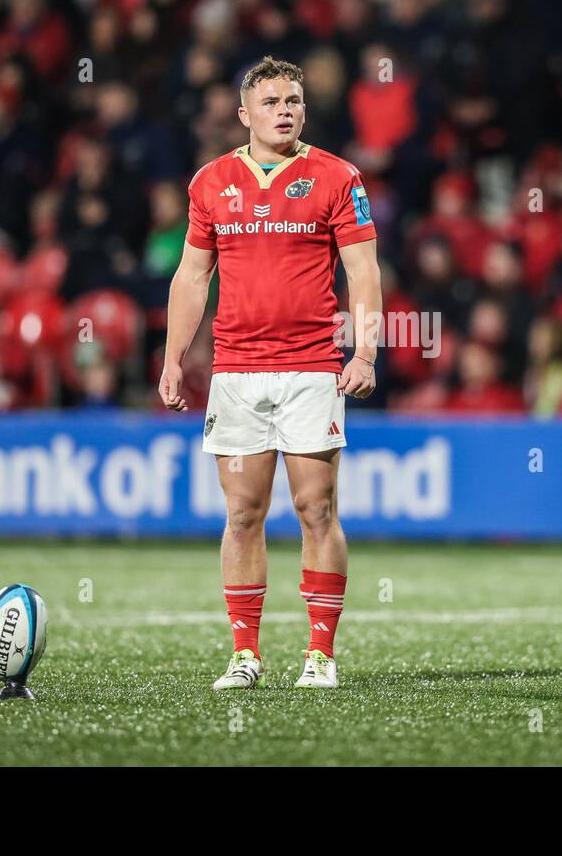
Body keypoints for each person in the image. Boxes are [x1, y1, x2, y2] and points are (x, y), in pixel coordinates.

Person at [158, 56, 381, 691]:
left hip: (312, 368)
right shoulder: (211, 182)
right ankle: (245, 654)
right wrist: (174, 357)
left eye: (294, 100)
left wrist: (363, 352)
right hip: (236, 371)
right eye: (273, 101)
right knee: (243, 513)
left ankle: (320, 654)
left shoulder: (338, 176)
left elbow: (362, 270)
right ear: (244, 114)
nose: (286, 109)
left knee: (316, 508)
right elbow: (192, 276)